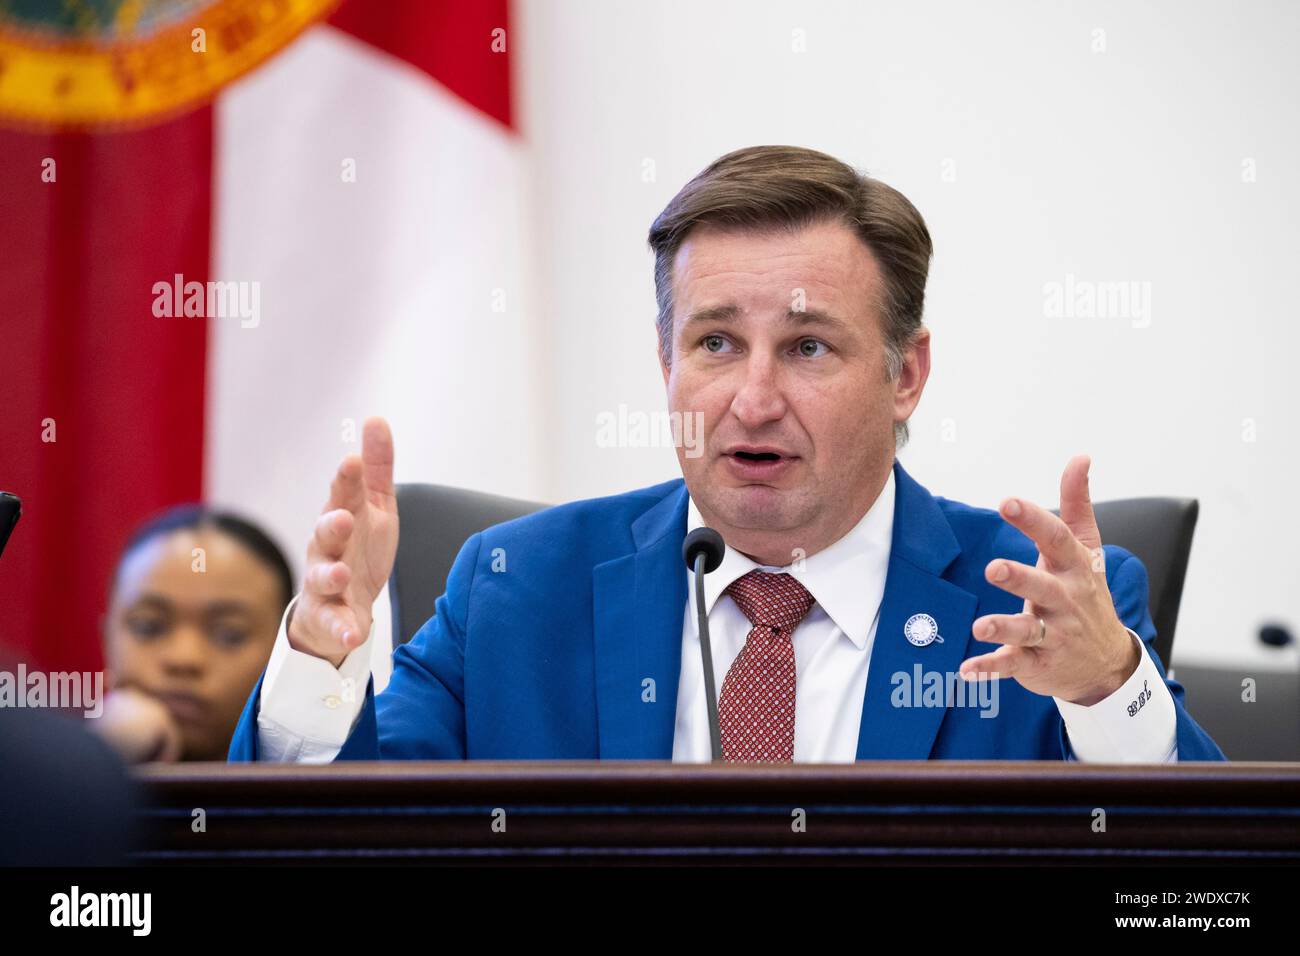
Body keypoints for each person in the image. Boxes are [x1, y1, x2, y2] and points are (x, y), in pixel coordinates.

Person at [230, 145, 1225, 763]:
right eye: (713, 343)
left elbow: (1204, 895)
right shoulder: (513, 587)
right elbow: (344, 848)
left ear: (905, 373)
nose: (752, 399)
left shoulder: (1041, 610)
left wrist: (1105, 689)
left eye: (807, 347)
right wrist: (322, 661)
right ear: (663, 358)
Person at [95, 505, 293, 762]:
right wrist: (95, 758)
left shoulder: (329, 786)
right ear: (107, 638)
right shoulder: (41, 776)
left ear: (284, 653)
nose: (184, 659)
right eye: (149, 627)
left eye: (229, 634)